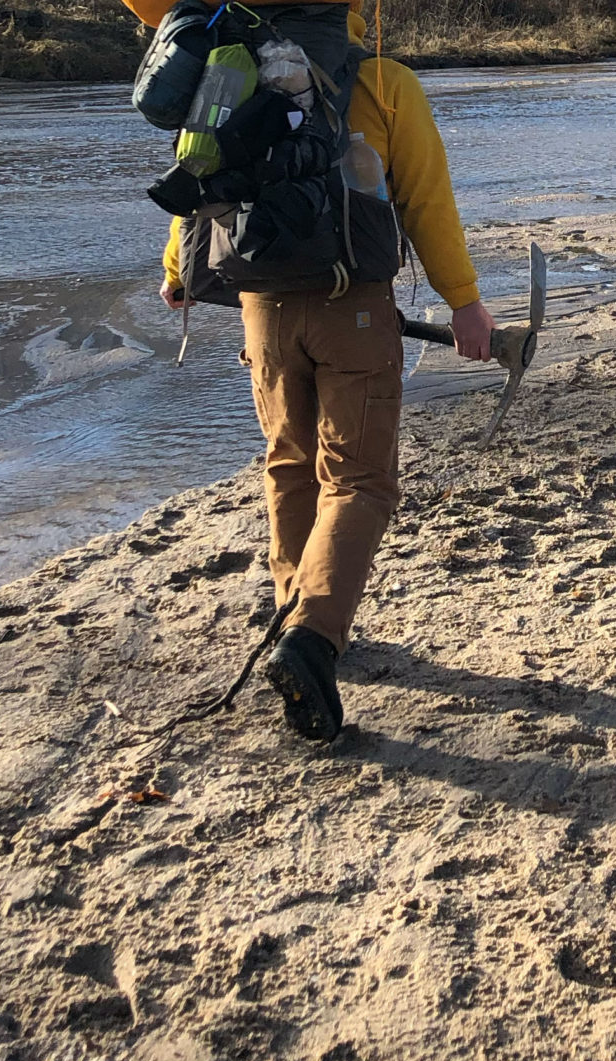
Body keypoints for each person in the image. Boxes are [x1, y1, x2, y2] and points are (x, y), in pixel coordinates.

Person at [162, 38, 494, 743]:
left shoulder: (234, 73)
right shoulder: (383, 81)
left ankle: (299, 610)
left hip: (265, 309)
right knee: (361, 481)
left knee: (289, 463)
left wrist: (175, 267)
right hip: (356, 308)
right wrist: (463, 300)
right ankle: (311, 640)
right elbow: (425, 195)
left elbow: (196, 173)